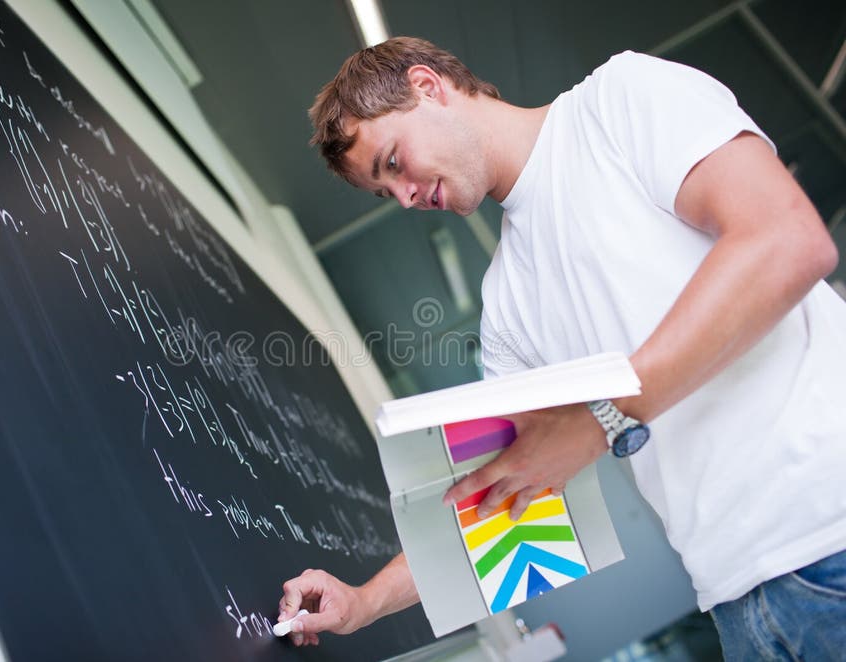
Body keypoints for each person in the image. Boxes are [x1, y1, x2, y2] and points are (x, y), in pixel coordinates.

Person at [278, 37, 846, 659]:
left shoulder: (618, 101)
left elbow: (788, 241)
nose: (406, 197)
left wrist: (603, 419)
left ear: (428, 86)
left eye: (393, 161)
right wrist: (363, 603)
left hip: (829, 530)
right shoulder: (507, 309)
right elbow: (502, 501)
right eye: (385, 193)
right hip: (738, 601)